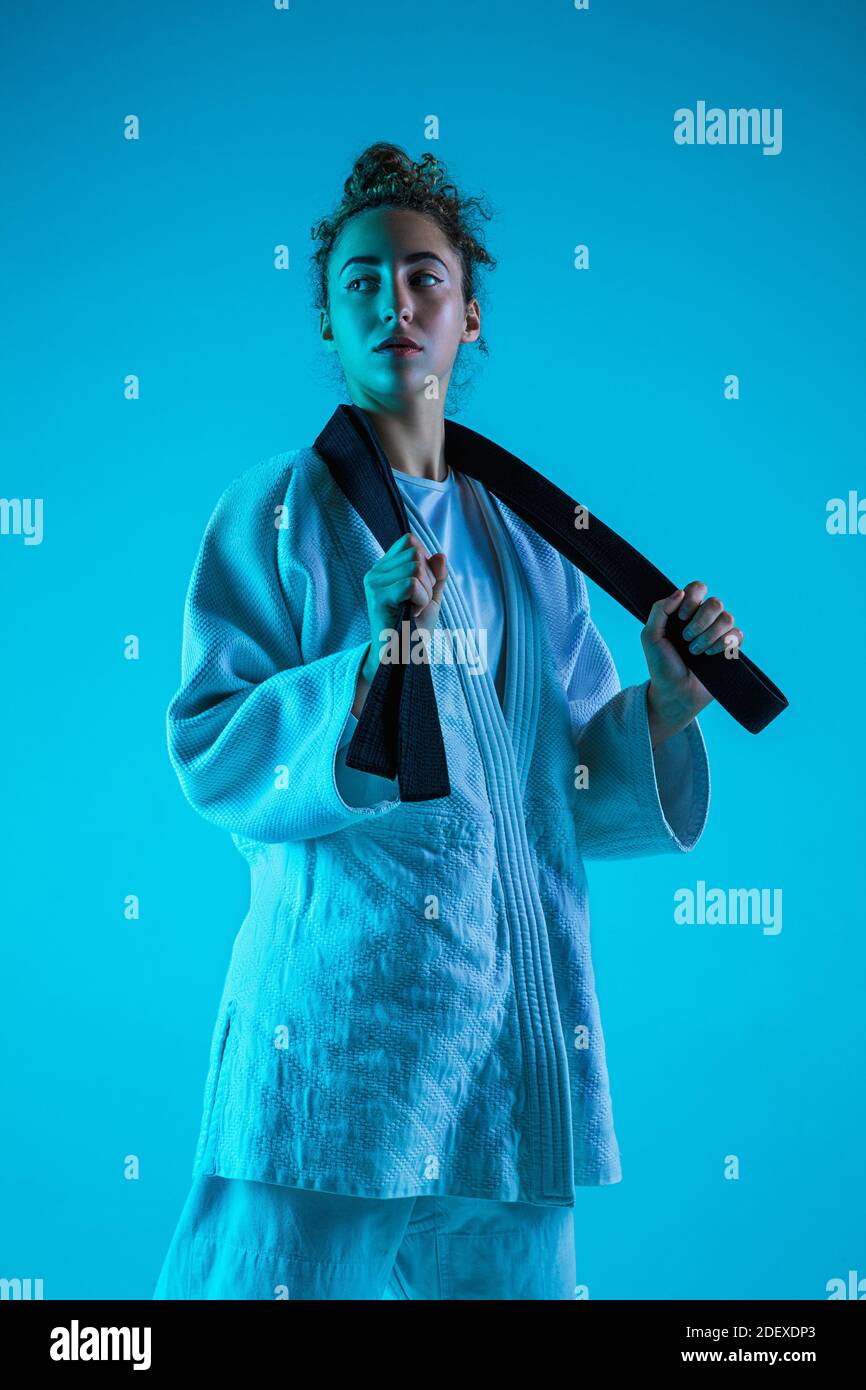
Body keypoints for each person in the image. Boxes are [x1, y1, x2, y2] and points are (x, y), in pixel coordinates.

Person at [153, 143, 742, 1301]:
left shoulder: (532, 536)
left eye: (424, 278)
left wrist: (664, 708)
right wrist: (370, 663)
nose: (395, 304)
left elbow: (564, 792)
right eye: (361, 283)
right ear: (328, 323)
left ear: (469, 315)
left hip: (512, 1045)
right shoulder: (274, 513)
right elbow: (213, 751)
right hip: (332, 1041)